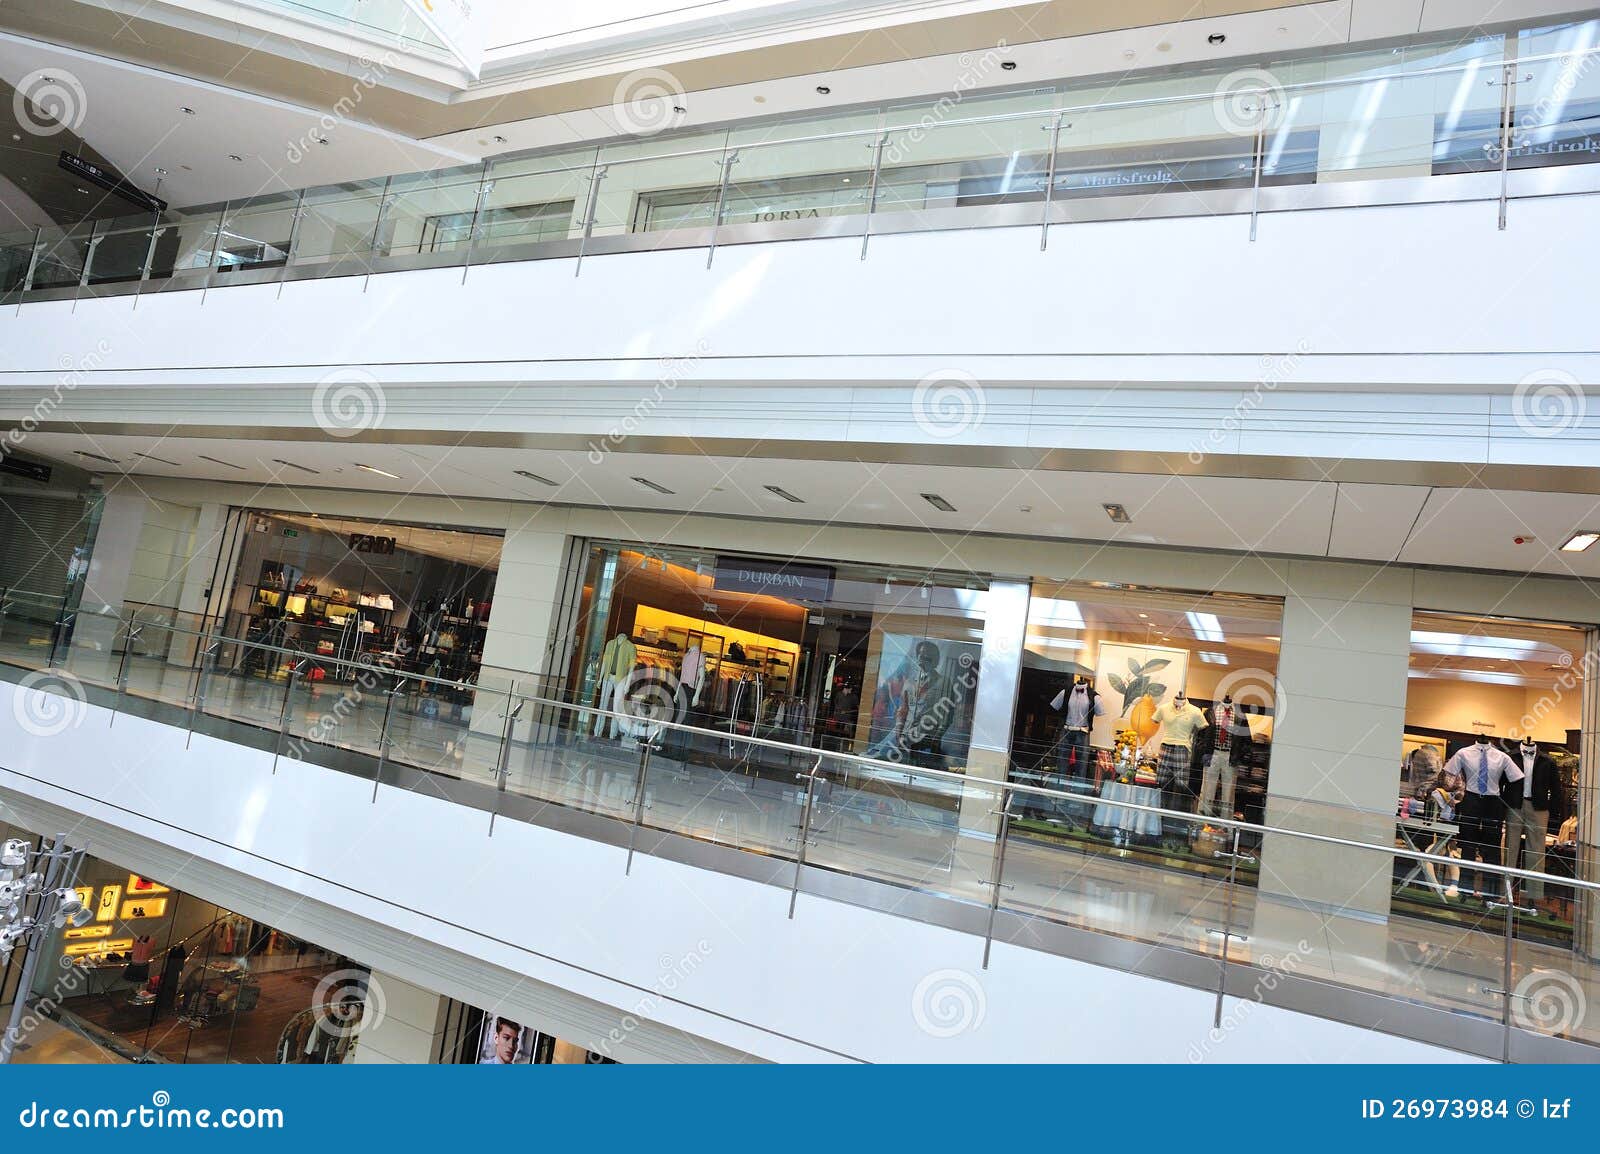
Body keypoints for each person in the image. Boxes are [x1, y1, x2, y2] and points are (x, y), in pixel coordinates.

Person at [893, 640, 954, 769]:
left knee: (925, 775)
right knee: (903, 773)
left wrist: (935, 738)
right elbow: (903, 709)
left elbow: (947, 714)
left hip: (928, 740)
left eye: (925, 654)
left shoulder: (944, 683)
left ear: (934, 659)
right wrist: (899, 732)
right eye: (919, 654)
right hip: (907, 738)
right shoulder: (909, 682)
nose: (921, 657)